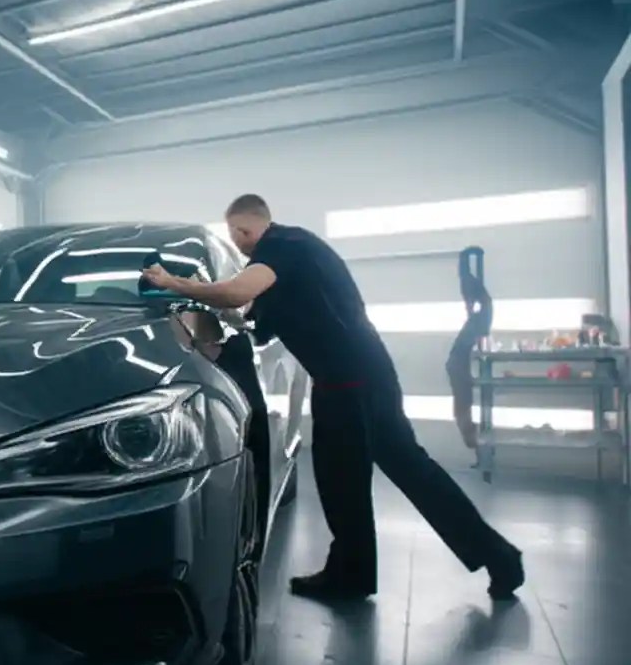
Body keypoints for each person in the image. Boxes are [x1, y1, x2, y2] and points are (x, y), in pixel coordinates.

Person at [141, 194, 525, 601]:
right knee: (408, 471)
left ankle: (354, 575)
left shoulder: (282, 246)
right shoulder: (297, 255)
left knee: (344, 480)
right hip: (365, 374)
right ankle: (497, 557)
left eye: (236, 239)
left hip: (349, 384)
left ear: (242, 230)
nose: (237, 248)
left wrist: (172, 283)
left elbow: (237, 293)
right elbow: (251, 317)